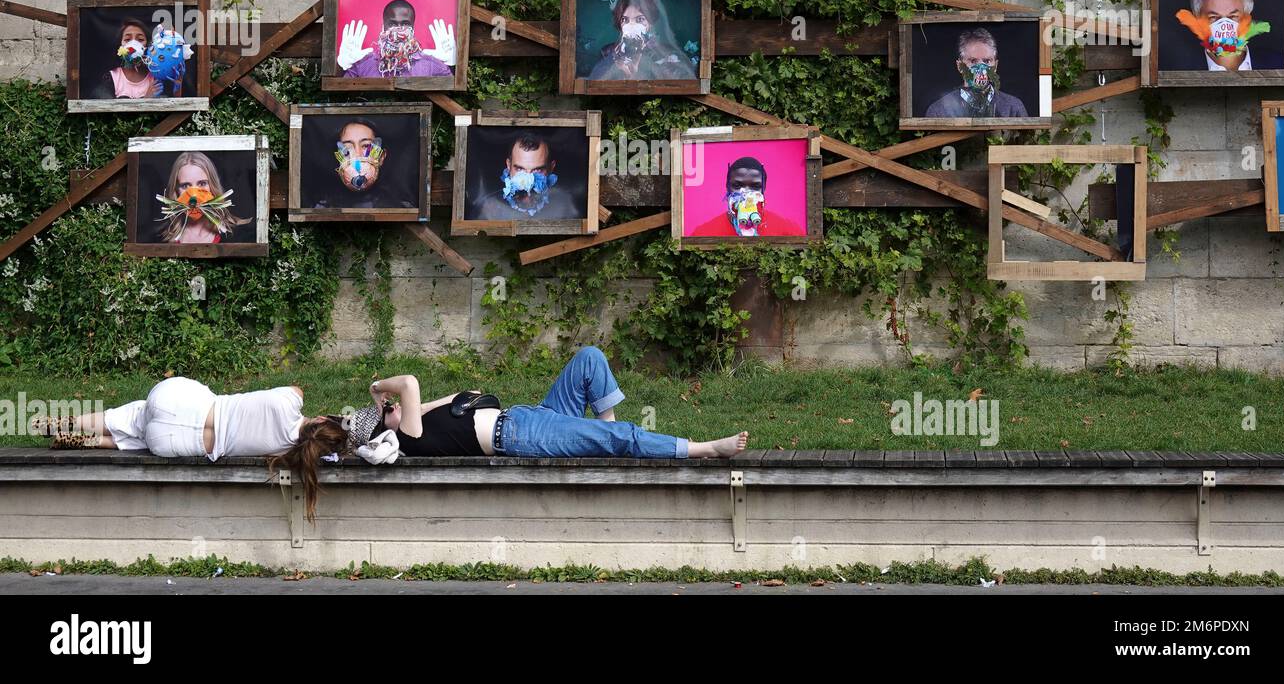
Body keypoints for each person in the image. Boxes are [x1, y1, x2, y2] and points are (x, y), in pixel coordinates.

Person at [29, 376, 348, 520]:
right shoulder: (288, 453)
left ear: (319, 419)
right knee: (143, 439)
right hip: (175, 443)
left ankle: (70, 424)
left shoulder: (289, 401)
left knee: (132, 415)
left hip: (180, 402)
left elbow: (298, 388)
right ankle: (96, 443)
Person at [352, 346, 748, 460]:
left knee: (589, 357)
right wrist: (378, 388)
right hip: (523, 436)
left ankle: (604, 432)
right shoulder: (409, 438)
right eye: (390, 408)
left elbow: (464, 396)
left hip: (531, 415)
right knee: (624, 437)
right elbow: (408, 381)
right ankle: (706, 449)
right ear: (388, 426)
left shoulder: (421, 419)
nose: (396, 403)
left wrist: (415, 407)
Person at [1167, 0, 1281, 72]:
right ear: (1197, 20)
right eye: (1213, 17)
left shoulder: (1278, 64)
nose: (1224, 24)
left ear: (1246, 17)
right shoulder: (1179, 71)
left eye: (1233, 16)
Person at [466, 130, 582, 220]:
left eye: (537, 170)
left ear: (551, 168)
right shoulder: (488, 208)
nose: (528, 182)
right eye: (520, 169)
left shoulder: (565, 205)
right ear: (508, 165)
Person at [586, 0, 697, 81]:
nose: (632, 26)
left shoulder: (666, 54)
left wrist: (640, 65)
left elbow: (676, 83)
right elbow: (596, 83)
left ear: (650, 23)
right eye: (625, 20)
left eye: (639, 19)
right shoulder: (608, 52)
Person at [686, 155, 804, 237]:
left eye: (755, 186)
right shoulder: (703, 233)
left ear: (764, 188)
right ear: (727, 186)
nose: (746, 193)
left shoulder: (788, 231)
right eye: (737, 185)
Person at [923, 27, 1029, 118]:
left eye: (987, 61)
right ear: (960, 66)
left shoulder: (1014, 107)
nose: (981, 68)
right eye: (973, 61)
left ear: (995, 66)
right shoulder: (939, 111)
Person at [312, 117, 414, 209]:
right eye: (347, 149)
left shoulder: (402, 209)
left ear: (381, 157)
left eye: (366, 146)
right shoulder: (322, 209)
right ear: (338, 158)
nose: (357, 155)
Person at [338, 0, 455, 78]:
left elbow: (452, 92)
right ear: (383, 27)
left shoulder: (430, 64)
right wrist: (343, 66)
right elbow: (341, 93)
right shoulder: (363, 64)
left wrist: (453, 65)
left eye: (405, 24)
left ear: (413, 28)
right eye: (393, 24)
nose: (399, 29)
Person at [154, 151, 252, 244]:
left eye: (202, 183)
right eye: (185, 186)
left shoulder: (239, 236)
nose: (194, 196)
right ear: (176, 191)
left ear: (212, 187)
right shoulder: (160, 240)